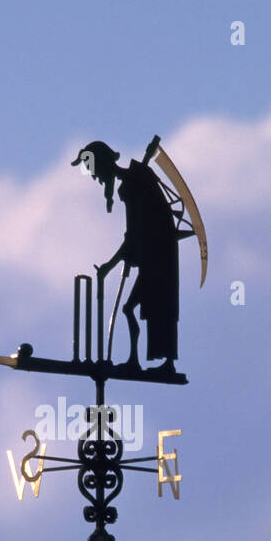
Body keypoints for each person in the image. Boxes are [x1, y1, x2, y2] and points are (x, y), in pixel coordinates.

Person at [72, 141, 179, 371]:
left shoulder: (134, 185)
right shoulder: (133, 182)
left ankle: (147, 361)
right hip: (155, 259)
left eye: (96, 172)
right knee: (139, 309)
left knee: (148, 308)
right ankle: (147, 361)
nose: (96, 179)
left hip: (158, 261)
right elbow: (136, 235)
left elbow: (133, 235)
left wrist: (109, 267)